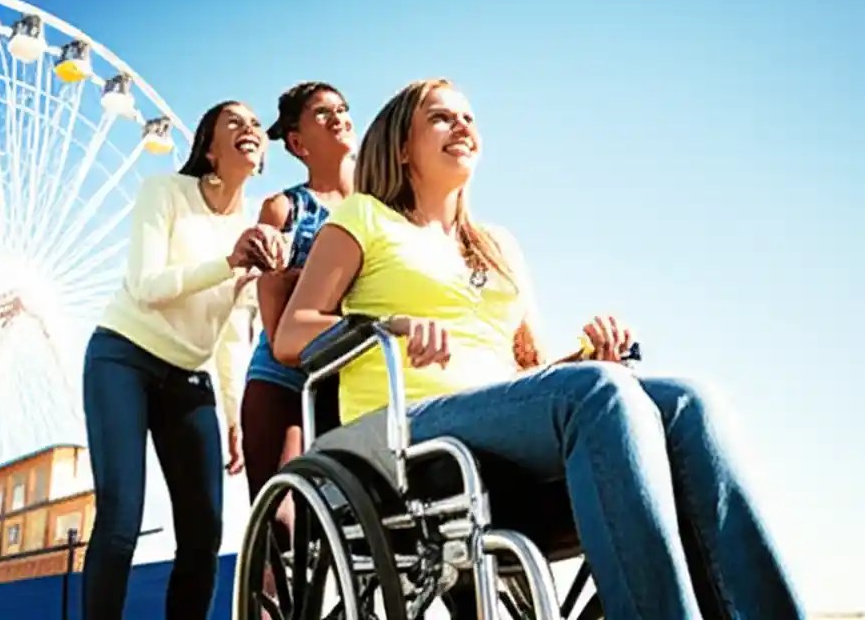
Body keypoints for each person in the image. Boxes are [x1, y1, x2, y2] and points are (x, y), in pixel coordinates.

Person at [273, 79, 806, 619]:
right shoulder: (364, 218)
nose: (463, 126)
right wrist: (392, 324)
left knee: (690, 400)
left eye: (469, 117)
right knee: (600, 393)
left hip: (506, 418)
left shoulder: (497, 246)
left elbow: (531, 369)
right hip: (404, 430)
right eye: (441, 117)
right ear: (402, 146)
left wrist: (591, 359)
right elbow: (292, 334)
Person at [80, 100, 286, 620]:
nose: (250, 129)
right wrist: (228, 261)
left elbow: (230, 332)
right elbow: (146, 286)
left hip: (189, 378)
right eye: (234, 122)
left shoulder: (252, 226)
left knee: (203, 534)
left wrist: (234, 415)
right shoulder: (165, 192)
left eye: (256, 124)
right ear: (209, 148)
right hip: (123, 357)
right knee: (122, 518)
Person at [240, 81, 355, 505]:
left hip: (354, 375)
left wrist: (301, 278)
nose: (339, 117)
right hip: (283, 377)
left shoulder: (382, 205)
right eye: (322, 113)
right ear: (296, 142)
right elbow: (274, 318)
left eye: (342, 108)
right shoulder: (284, 208)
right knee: (281, 517)